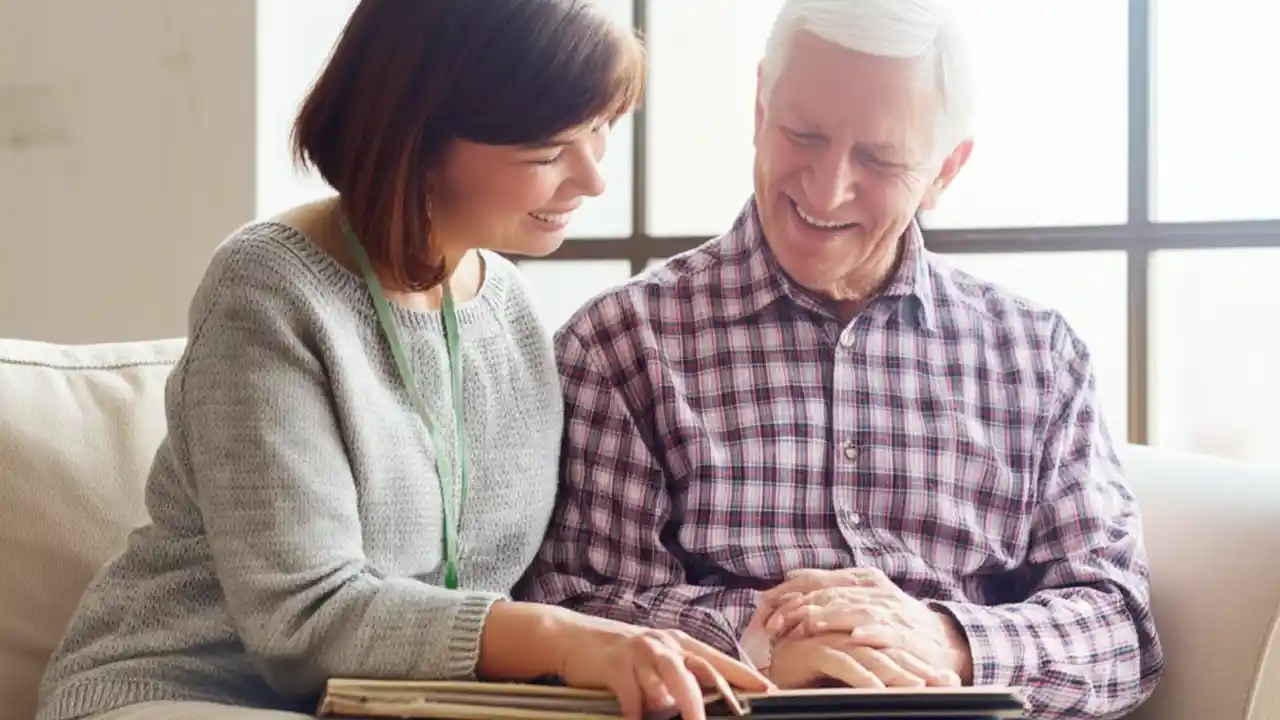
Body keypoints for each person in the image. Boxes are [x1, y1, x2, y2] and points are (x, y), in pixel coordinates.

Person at [34, 2, 771, 719]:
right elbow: (304, 618)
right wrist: (561, 640)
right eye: (548, 152)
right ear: (418, 142)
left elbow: (542, 580)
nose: (593, 179)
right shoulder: (268, 294)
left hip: (400, 705)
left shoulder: (506, 309)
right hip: (183, 691)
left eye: (600, 131)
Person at [517, 0, 1163, 717]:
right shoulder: (621, 347)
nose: (826, 189)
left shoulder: (1038, 359)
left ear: (945, 169)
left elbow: (1121, 629)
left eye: (880, 159)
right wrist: (762, 641)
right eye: (803, 134)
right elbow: (570, 607)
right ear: (761, 107)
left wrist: (950, 638)